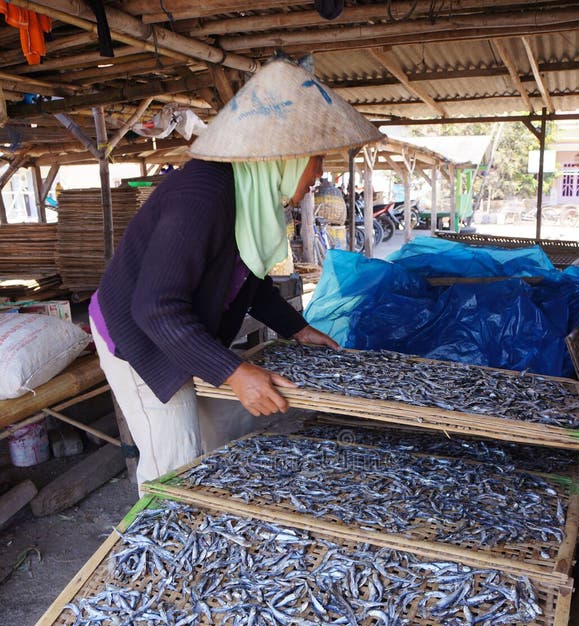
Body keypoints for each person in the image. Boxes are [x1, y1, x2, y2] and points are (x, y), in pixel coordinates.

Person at [89, 58, 381, 488]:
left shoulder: (249, 192)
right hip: (138, 337)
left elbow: (246, 279)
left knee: (216, 435)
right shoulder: (203, 196)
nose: (319, 174)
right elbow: (154, 308)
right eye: (316, 159)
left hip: (174, 327)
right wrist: (235, 373)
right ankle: (155, 546)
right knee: (175, 464)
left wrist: (296, 328)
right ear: (285, 155)